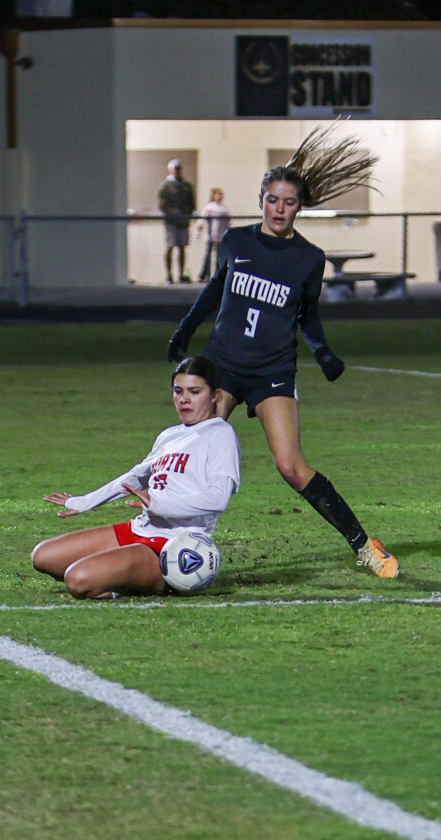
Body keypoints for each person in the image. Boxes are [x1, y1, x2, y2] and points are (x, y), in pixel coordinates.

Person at [166, 124, 399, 579]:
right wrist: (184, 331)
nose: (279, 208)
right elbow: (214, 292)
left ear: (299, 206)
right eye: (272, 199)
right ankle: (170, 543)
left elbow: (307, 314)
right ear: (260, 201)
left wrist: (324, 353)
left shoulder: (310, 259)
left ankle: (364, 546)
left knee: (291, 467)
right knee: (197, 451)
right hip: (224, 367)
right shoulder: (236, 241)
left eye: (289, 201)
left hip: (272, 369)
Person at [31, 356, 240, 599]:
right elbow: (134, 477)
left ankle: (163, 581)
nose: (184, 399)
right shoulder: (169, 436)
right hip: (139, 529)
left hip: (174, 546)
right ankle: (124, 576)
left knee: (78, 581)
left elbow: (218, 499)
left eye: (194, 391)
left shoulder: (220, 434)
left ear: (215, 395)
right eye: (178, 391)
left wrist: (160, 505)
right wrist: (84, 501)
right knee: (43, 556)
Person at [158, 159, 195, 284]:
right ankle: (169, 274)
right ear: (170, 169)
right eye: (175, 168)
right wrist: (175, 213)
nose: (177, 170)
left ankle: (181, 274)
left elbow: (191, 204)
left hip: (183, 222)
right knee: (170, 247)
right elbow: (162, 205)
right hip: (171, 222)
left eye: (179, 168)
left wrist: (185, 213)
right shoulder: (165, 186)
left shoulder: (187, 186)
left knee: (182, 248)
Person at [196, 187, 231, 283]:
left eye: (221, 194)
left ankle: (217, 274)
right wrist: (199, 230)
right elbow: (202, 219)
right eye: (217, 194)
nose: (219, 196)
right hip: (210, 235)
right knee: (208, 256)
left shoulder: (224, 209)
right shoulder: (209, 207)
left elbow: (228, 223)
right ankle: (203, 275)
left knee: (219, 257)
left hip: (221, 236)